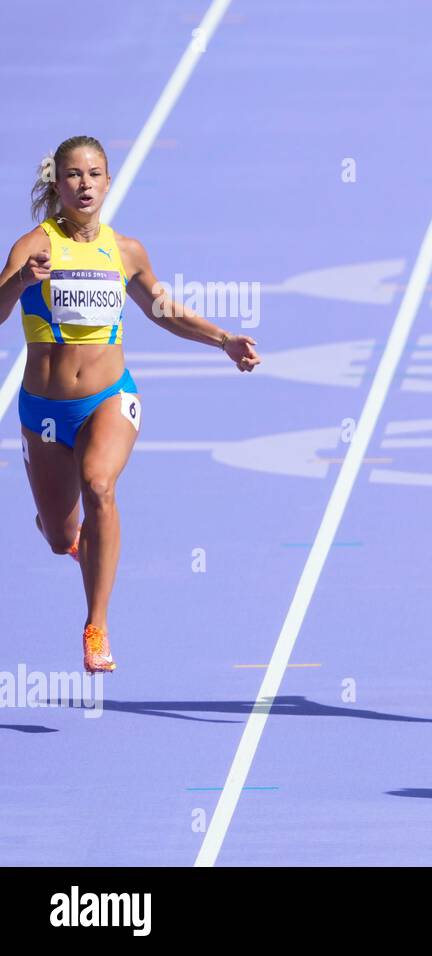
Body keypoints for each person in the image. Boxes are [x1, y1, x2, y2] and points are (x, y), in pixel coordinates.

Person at [0, 135, 261, 672]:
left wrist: (223, 340)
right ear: (57, 183)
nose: (85, 184)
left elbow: (162, 308)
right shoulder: (34, 245)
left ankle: (96, 625)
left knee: (99, 483)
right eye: (73, 175)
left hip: (109, 398)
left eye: (94, 174)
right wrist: (21, 281)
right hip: (45, 412)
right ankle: (73, 541)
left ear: (109, 181)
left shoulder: (125, 251)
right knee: (59, 537)